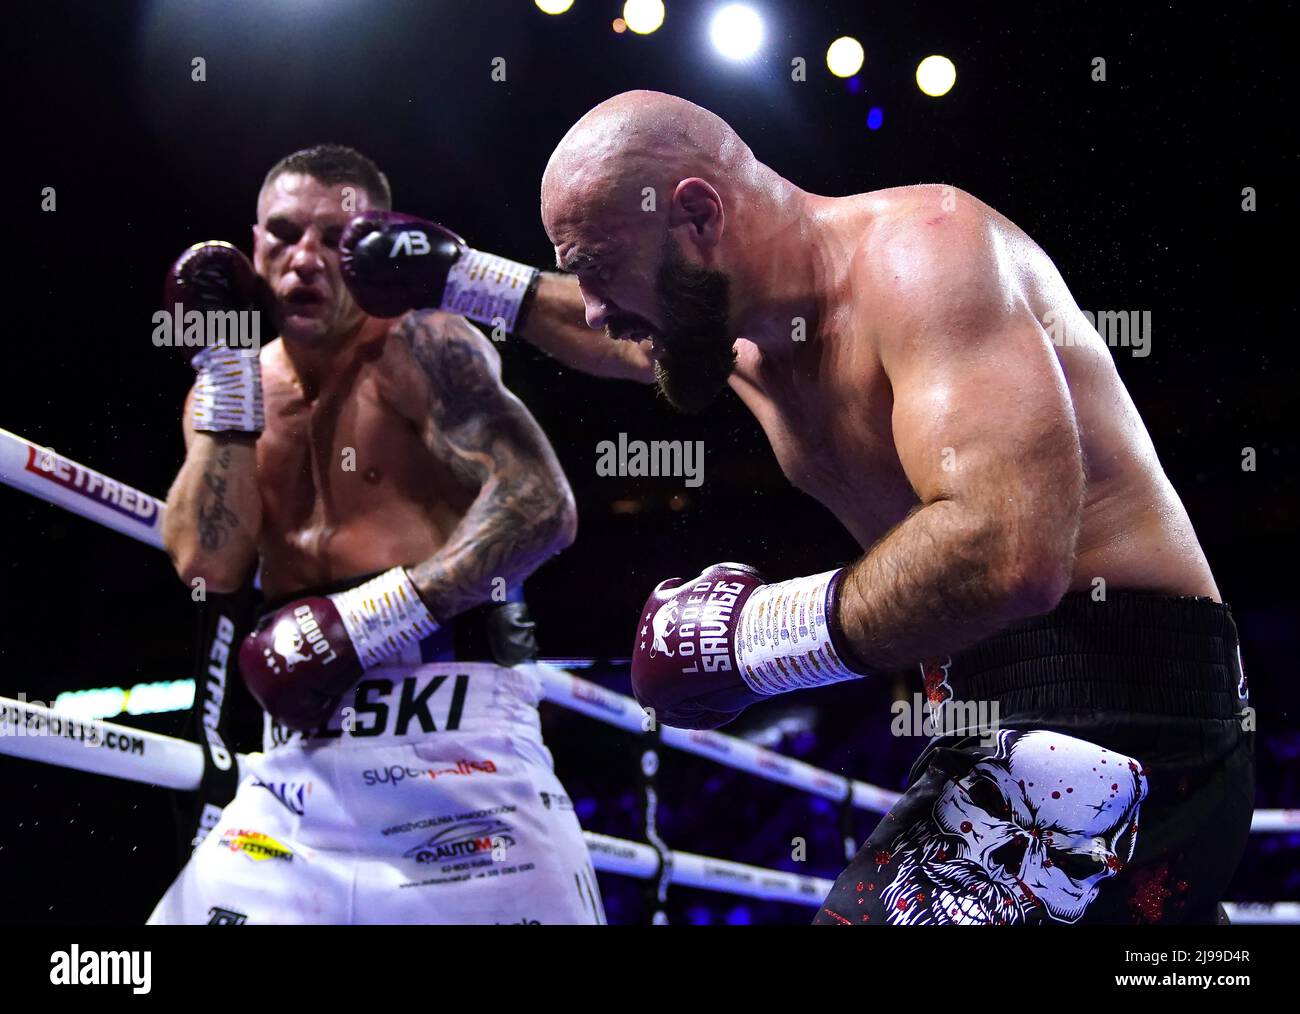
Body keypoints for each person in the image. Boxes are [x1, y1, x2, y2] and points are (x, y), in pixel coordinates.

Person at [525, 91, 1252, 925]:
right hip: (995, 711)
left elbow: (1009, 549)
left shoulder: (924, 255)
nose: (591, 304)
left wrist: (753, 640)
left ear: (695, 215)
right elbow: (606, 331)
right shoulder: (742, 339)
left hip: (1121, 707)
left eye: (595, 266)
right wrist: (456, 277)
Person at [149, 144, 604, 924]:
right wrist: (223, 378)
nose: (305, 260)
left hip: (460, 745)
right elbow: (207, 565)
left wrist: (366, 622)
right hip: (297, 769)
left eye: (334, 237)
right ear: (252, 248)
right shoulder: (229, 386)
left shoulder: (423, 342)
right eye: (284, 234)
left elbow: (540, 505)